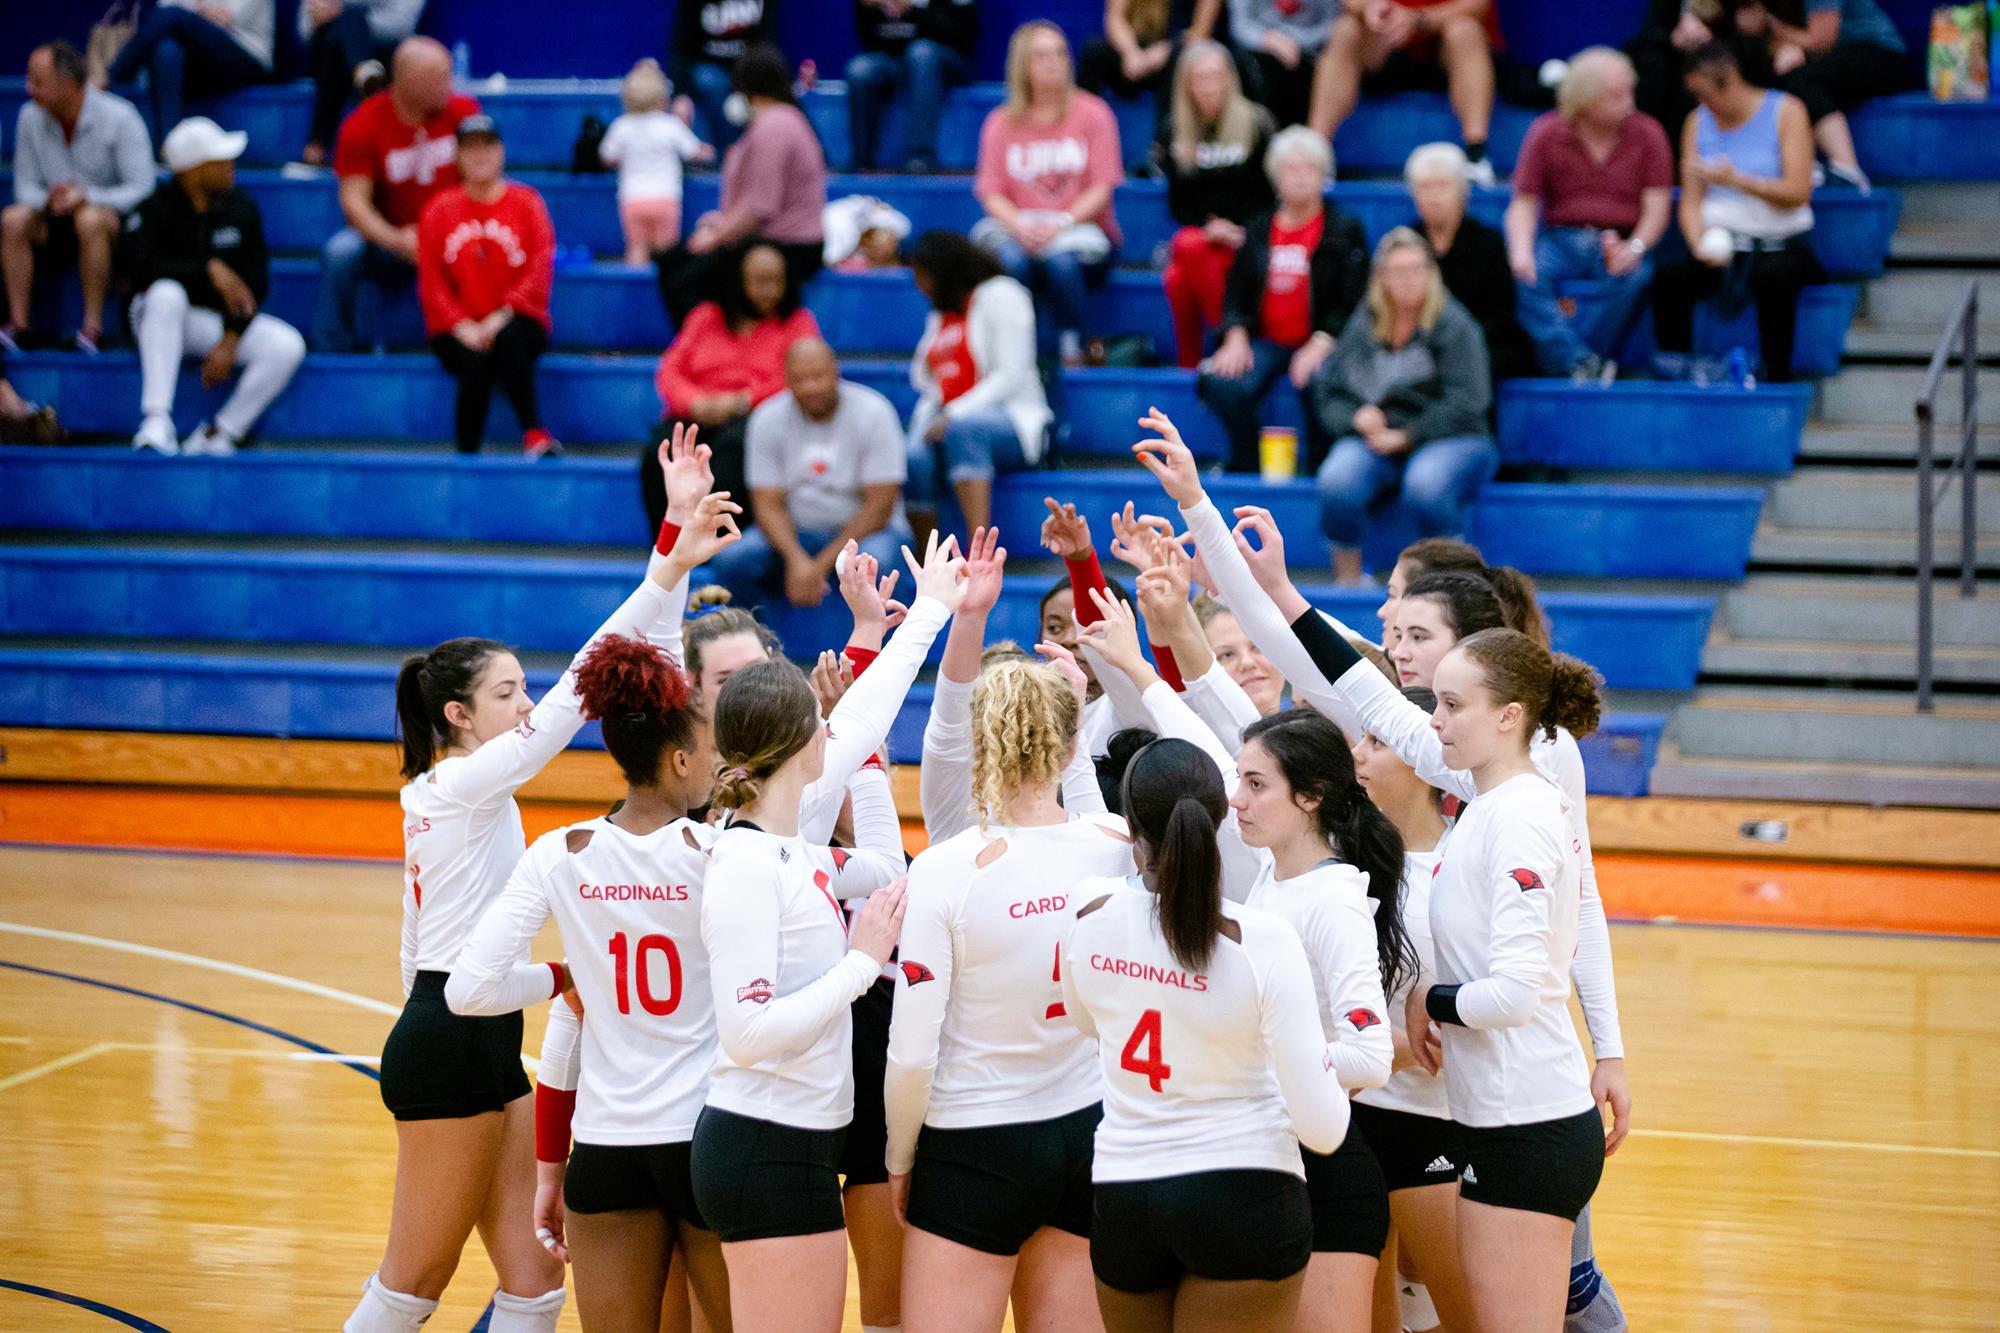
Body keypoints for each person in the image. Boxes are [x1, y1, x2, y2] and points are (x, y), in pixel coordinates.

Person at [343, 436, 726, 1333]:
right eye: (507, 693)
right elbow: (573, 705)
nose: (525, 704)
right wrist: (666, 561)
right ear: (457, 714)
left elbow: (417, 939)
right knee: (414, 1280)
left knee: (535, 1278)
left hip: (479, 1030)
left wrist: (672, 551)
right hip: (448, 1034)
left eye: (523, 689)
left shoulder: (469, 794)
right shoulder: (448, 786)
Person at [691, 534, 966, 1333]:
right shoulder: (747, 863)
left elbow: (881, 860)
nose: (835, 731)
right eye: (825, 725)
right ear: (799, 742)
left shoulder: (797, 848)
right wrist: (859, 965)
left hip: (800, 1141)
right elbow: (745, 1033)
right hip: (763, 1143)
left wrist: (929, 613)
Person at [442, 632, 732, 1332]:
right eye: (711, 749)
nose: (718, 762)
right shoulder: (724, 854)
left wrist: (565, 974)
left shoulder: (556, 853)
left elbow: (466, 991)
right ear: (680, 759)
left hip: (606, 1150)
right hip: (708, 1140)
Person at [1059, 737, 1355, 1333]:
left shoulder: (1086, 912)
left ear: (1130, 821)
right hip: (1244, 1194)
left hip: (1125, 1199)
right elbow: (1324, 1131)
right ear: (1218, 816)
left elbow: (1086, 1021)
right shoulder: (1262, 938)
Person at [884, 653, 1130, 1331]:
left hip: (974, 1143)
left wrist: (899, 1156)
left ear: (980, 745)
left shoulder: (944, 869)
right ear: (1071, 747)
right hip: (1088, 1131)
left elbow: (912, 1054)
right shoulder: (1117, 844)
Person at [1233, 709, 1411, 1332]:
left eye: (1256, 785)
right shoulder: (1271, 874)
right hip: (1268, 1156)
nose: (1237, 800)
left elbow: (1370, 1054)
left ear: (1310, 796)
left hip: (1327, 1171)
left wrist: (1255, 1064)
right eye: (1239, 780)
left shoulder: (1333, 900)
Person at [1347, 687, 1475, 1333]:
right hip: (1350, 1119)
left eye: (1377, 742)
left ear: (1425, 760)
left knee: (1466, 1317)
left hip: (1436, 1123)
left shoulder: (1464, 868)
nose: (1357, 753)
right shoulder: (1343, 862)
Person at [1312, 229, 1494, 586]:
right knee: (1336, 480)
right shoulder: (1364, 323)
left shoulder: (1454, 324)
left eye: (1416, 269)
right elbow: (1329, 392)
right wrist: (1355, 417)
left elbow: (1470, 401)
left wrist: (1408, 435)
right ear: (1381, 277)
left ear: (1431, 273)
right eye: (1398, 271)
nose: (1409, 279)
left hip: (1454, 436)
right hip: (1378, 439)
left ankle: (1453, 586)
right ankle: (1349, 583)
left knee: (1426, 484)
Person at [121, 116, 305, 458]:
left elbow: (255, 283)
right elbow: (139, 271)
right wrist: (207, 270)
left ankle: (219, 434)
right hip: (154, 318)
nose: (230, 165)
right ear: (192, 171)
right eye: (220, 160)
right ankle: (156, 421)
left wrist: (231, 340)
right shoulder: (156, 208)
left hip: (210, 323)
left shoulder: (241, 207)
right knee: (166, 293)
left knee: (286, 346)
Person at [1198, 126, 1369, 475]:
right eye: (1292, 168)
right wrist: (1235, 334)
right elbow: (1236, 291)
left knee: (1320, 379)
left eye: (1311, 168)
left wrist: (1322, 341)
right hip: (1268, 340)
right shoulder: (1259, 228)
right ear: (1276, 178)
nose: (1302, 177)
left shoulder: (1344, 229)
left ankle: (1319, 469)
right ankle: (1247, 463)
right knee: (1222, 381)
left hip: (1325, 340)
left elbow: (1354, 299)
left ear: (1324, 175)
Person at [1653, 41, 1824, 382]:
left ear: (1730, 80)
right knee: (1669, 280)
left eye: (1706, 95)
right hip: (1725, 242)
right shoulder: (1696, 121)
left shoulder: (1787, 111)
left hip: (1781, 242)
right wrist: (1699, 243)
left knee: (1775, 278)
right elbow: (1691, 201)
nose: (1702, 104)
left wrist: (1738, 180)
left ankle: (1776, 378)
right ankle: (1677, 373)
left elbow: (1798, 192)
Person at [1506, 47, 1673, 381]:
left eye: (1630, 91)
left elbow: (1657, 207)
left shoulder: (1649, 133)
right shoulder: (1547, 132)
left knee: (1635, 275)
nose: (1629, 102)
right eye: (1616, 95)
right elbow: (1523, 202)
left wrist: (1635, 247)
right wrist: (1521, 251)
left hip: (1620, 236)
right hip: (1561, 238)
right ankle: (1582, 362)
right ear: (1585, 99)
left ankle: (1575, 362)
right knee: (1525, 273)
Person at [711, 337, 910, 608]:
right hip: (796, 532)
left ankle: (885, 636)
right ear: (786, 380)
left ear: (835, 373)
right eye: (800, 379)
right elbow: (767, 505)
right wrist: (796, 559)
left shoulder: (875, 412)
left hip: (866, 534)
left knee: (879, 560)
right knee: (732, 560)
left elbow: (880, 507)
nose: (810, 387)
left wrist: (820, 565)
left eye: (818, 377)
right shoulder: (767, 418)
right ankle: (751, 634)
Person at [970, 21, 1125, 366]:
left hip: (1083, 234)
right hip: (1020, 231)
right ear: (1022, 65)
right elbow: (991, 192)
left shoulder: (1094, 113)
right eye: (1041, 56)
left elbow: (1103, 186)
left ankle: (1073, 343)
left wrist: (1062, 223)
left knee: (1061, 263)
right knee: (1011, 261)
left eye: (1060, 54)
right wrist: (1020, 226)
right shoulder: (1000, 122)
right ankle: (1011, 349)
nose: (1054, 63)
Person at [314, 37, 479, 352]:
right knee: (340, 253)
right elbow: (354, 203)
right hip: (392, 236)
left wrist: (446, 230)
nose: (450, 86)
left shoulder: (463, 113)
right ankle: (332, 351)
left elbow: (483, 183)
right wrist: (395, 239)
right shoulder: (362, 125)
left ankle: (477, 340)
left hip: (454, 231)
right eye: (440, 79)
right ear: (409, 82)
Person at [644, 241, 821, 534]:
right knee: (659, 453)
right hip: (697, 414)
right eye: (760, 281)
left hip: (756, 417)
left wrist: (743, 401)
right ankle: (668, 546)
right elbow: (671, 371)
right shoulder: (705, 317)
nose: (769, 290)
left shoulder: (797, 322)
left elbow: (801, 376)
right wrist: (696, 403)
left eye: (776, 281)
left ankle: (718, 541)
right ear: (738, 280)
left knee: (732, 451)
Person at [417, 116, 558, 458]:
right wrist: (460, 324)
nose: (480, 154)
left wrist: (501, 316)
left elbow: (539, 271)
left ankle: (534, 435)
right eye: (471, 147)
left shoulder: (528, 203)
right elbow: (431, 282)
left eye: (487, 145)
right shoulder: (438, 209)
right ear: (457, 155)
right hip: (457, 329)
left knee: (510, 339)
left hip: (517, 321)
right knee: (475, 357)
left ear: (501, 151)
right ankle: (466, 454)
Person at [657, 43, 828, 324]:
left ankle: (720, 344)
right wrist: (722, 224)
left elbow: (762, 206)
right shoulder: (777, 120)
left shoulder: (774, 126)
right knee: (671, 258)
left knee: (684, 283)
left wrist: (718, 235)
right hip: (770, 237)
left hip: (789, 247)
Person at [2, 42, 154, 355]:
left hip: (112, 229)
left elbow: (142, 188)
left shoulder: (120, 116)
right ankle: (19, 327)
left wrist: (87, 197)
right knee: (13, 218)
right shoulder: (29, 117)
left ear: (68, 83)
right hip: (53, 219)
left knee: (89, 218)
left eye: (38, 82)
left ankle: (91, 330)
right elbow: (24, 187)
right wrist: (49, 200)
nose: (29, 89)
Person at [905, 229, 1052, 542]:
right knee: (914, 455)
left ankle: (979, 551)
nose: (919, 286)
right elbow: (923, 377)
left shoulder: (1002, 294)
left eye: (922, 276)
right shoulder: (941, 313)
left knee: (966, 429)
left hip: (1011, 417)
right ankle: (928, 557)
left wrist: (954, 414)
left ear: (942, 270)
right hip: (947, 414)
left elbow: (1011, 375)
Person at [1158, 40, 1277, 369]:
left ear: (1230, 80)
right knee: (1181, 266)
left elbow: (1271, 196)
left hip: (1249, 237)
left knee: (1182, 262)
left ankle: (1217, 348)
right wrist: (1212, 226)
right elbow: (1178, 204)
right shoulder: (1174, 130)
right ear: (1187, 85)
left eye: (1216, 77)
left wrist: (1242, 232)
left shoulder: (1257, 124)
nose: (1209, 86)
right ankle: (1207, 356)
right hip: (1207, 238)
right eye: (1200, 78)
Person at [1311, 0, 1502, 186]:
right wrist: (1373, 9)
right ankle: (1315, 153)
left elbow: (1477, 5)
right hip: (1384, 45)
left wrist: (1419, 20)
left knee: (1465, 30)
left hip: (1441, 50)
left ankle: (1476, 154)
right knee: (1346, 29)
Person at [1735, 0, 1907, 191]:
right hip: (1829, 59)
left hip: (1880, 55)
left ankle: (1848, 171)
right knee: (1776, 79)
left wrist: (1770, 27)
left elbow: (1822, 40)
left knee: (1801, 80)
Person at [1404, 141, 1536, 388]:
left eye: (1443, 186)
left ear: (1463, 191)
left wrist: (1456, 343)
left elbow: (1501, 314)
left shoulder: (1488, 242)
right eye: (1425, 187)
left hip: (1482, 344)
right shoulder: (1405, 244)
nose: (1434, 197)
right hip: (1418, 346)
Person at [108, 0, 274, 153]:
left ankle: (111, 77)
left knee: (173, 15)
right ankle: (170, 146)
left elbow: (225, 17)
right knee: (166, 50)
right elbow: (164, 7)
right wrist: (196, 13)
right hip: (197, 54)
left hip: (245, 53)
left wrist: (193, 12)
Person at [601, 59, 712, 266]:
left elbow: (607, 157)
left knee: (636, 247)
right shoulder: (670, 125)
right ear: (663, 98)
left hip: (632, 199)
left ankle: (635, 282)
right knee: (667, 251)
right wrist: (709, 150)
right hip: (665, 199)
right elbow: (695, 153)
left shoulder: (621, 126)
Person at [846, 0, 979, 172]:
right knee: (860, 69)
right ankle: (862, 163)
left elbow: (960, 35)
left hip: (946, 59)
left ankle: (920, 158)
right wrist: (877, 8)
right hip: (892, 61)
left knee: (921, 54)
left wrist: (914, 8)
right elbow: (868, 39)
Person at [296, 0, 425, 168]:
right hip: (325, 49)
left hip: (383, 49)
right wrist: (339, 18)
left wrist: (342, 14)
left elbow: (400, 24)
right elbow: (305, 28)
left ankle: (317, 144)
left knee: (338, 37)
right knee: (337, 35)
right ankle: (365, 75)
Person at [1078, 0, 1224, 113]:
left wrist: (1161, 53)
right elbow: (1115, 18)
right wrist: (1131, 53)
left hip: (1177, 50)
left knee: (1180, 56)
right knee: (1094, 51)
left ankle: (1165, 137)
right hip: (1134, 53)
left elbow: (1200, 32)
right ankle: (1078, 123)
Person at [670, 0, 779, 149]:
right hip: (710, 68)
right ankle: (725, 153)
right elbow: (682, 44)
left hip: (751, 68)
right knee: (708, 82)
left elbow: (767, 40)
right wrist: (680, 94)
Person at [1227, 0, 1340, 127]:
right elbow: (1240, 25)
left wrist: (1294, 41)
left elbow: (1333, 25)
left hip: (1308, 54)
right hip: (1259, 51)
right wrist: (1265, 39)